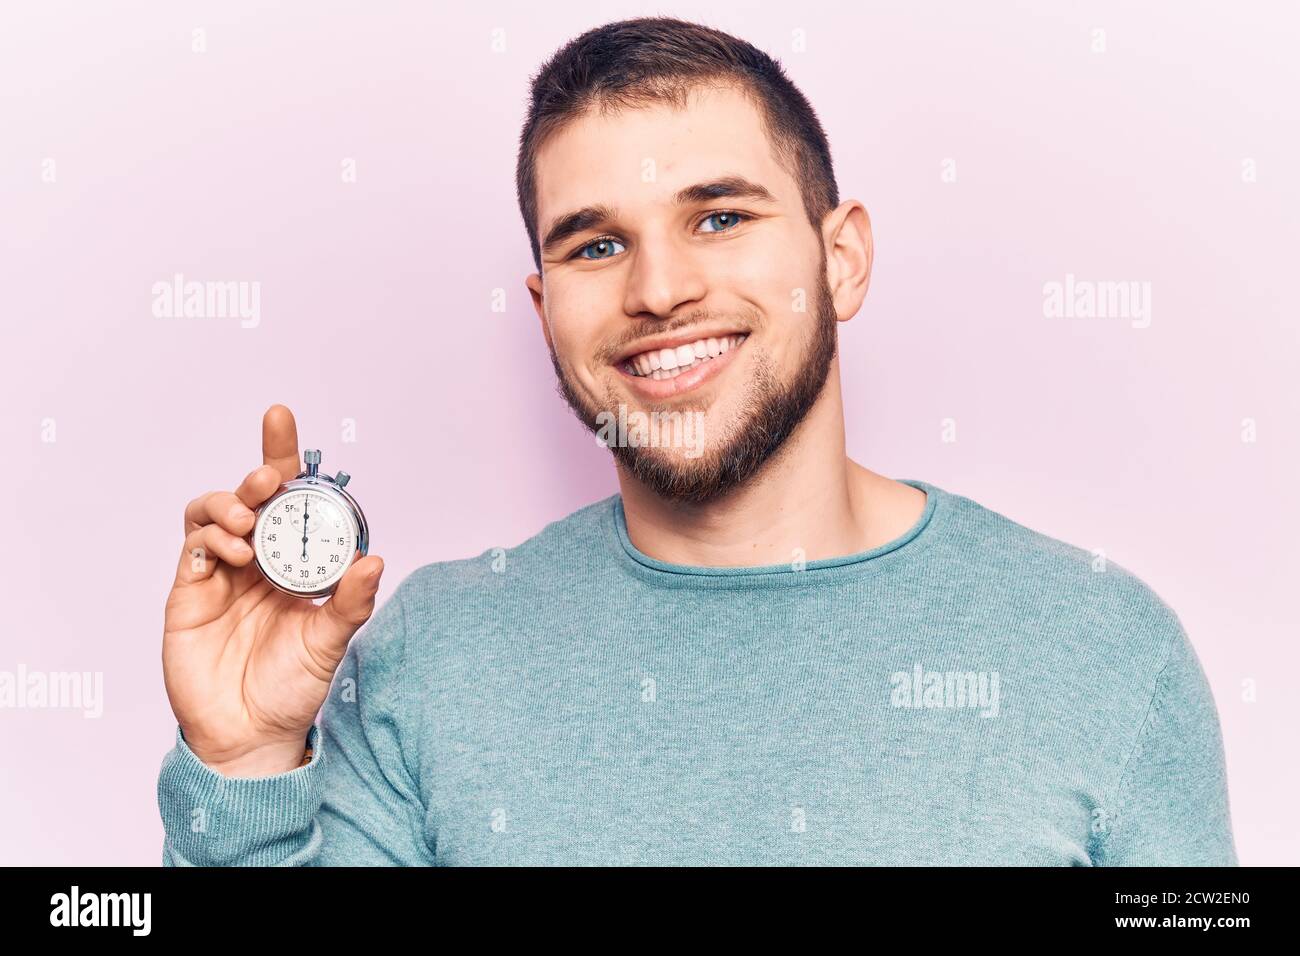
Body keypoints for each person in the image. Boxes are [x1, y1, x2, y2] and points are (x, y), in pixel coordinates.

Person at [157, 16, 1236, 865]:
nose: (660, 289)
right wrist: (243, 766)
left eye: (719, 216)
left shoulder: (1103, 648)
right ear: (543, 308)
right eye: (596, 244)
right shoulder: (427, 658)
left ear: (842, 256)